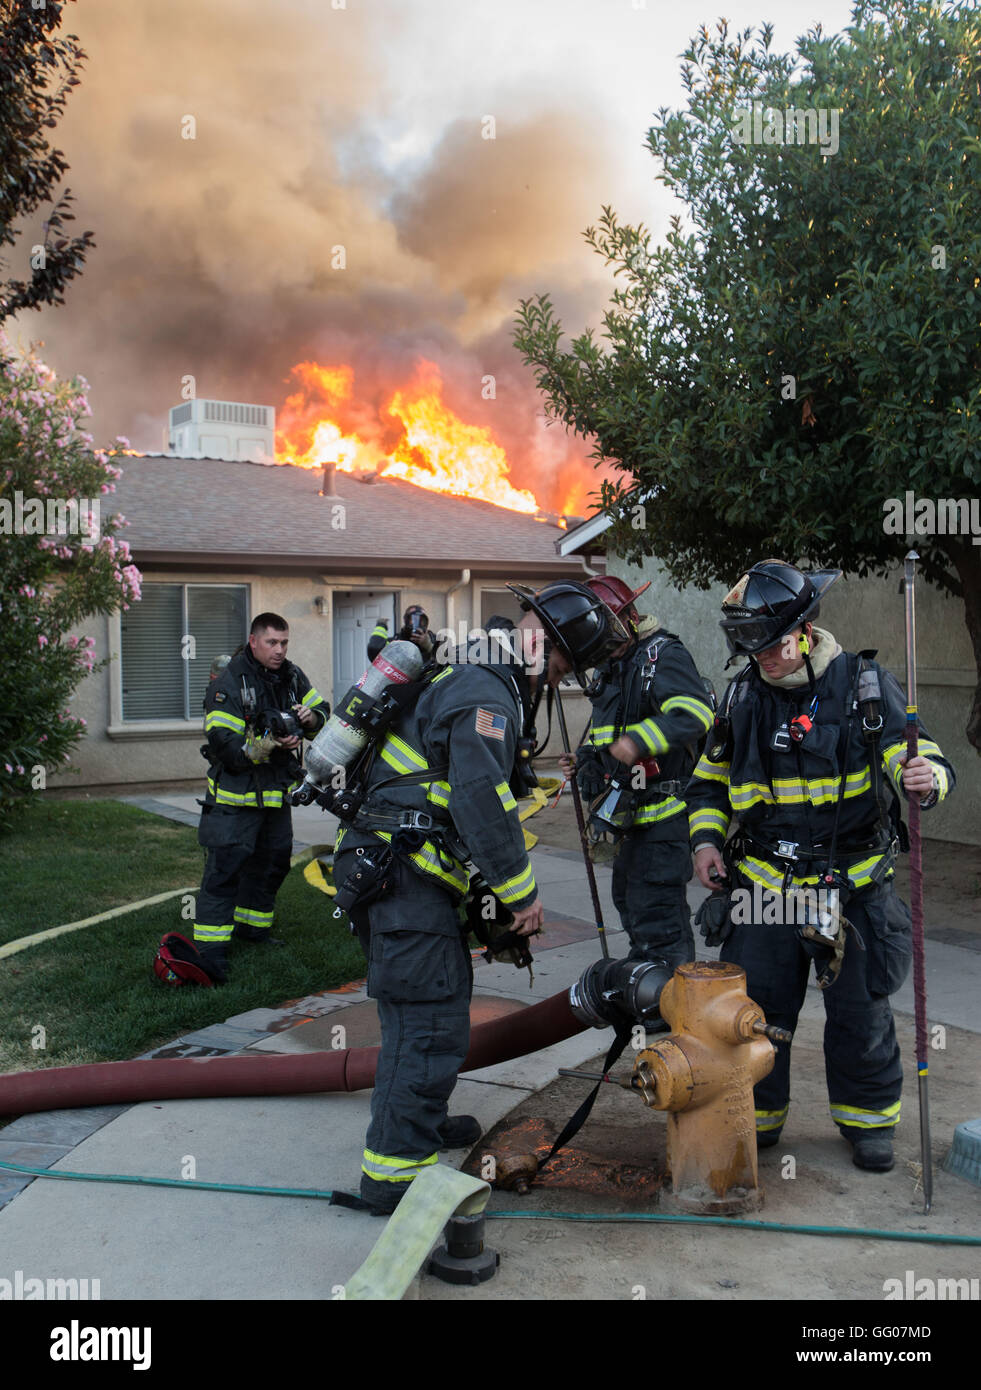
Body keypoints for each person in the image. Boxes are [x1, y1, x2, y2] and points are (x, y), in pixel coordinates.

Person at [333, 580, 630, 1214]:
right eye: (559, 667)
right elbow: (478, 797)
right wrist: (521, 895)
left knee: (425, 1012)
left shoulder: (472, 668)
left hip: (393, 868)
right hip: (399, 873)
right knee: (430, 1022)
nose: (554, 680)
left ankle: (420, 1121)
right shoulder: (485, 688)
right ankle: (395, 1175)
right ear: (541, 644)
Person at [685, 560, 955, 1171]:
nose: (766, 660)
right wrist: (705, 845)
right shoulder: (742, 695)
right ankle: (757, 1120)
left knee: (861, 1013)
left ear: (805, 632)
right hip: (764, 890)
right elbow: (709, 784)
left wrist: (923, 779)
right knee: (756, 1015)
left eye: (775, 646)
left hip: (853, 888)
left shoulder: (863, 684)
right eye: (753, 650)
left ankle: (868, 1124)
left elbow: (916, 754)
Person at [558, 576, 715, 969]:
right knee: (630, 906)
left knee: (660, 922)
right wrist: (586, 759)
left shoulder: (663, 656)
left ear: (627, 617)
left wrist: (639, 741)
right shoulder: (614, 668)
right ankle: (646, 987)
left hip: (662, 825)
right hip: (627, 825)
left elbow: (695, 714)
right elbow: (606, 734)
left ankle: (670, 1006)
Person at [194, 612, 328, 982]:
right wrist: (262, 745)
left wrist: (309, 719)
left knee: (272, 863)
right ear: (254, 642)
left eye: (284, 642)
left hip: (275, 796)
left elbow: (324, 714)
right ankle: (211, 950)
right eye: (272, 642)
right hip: (235, 798)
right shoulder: (229, 681)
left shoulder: (292, 676)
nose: (280, 650)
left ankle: (253, 930)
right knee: (225, 870)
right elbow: (223, 742)